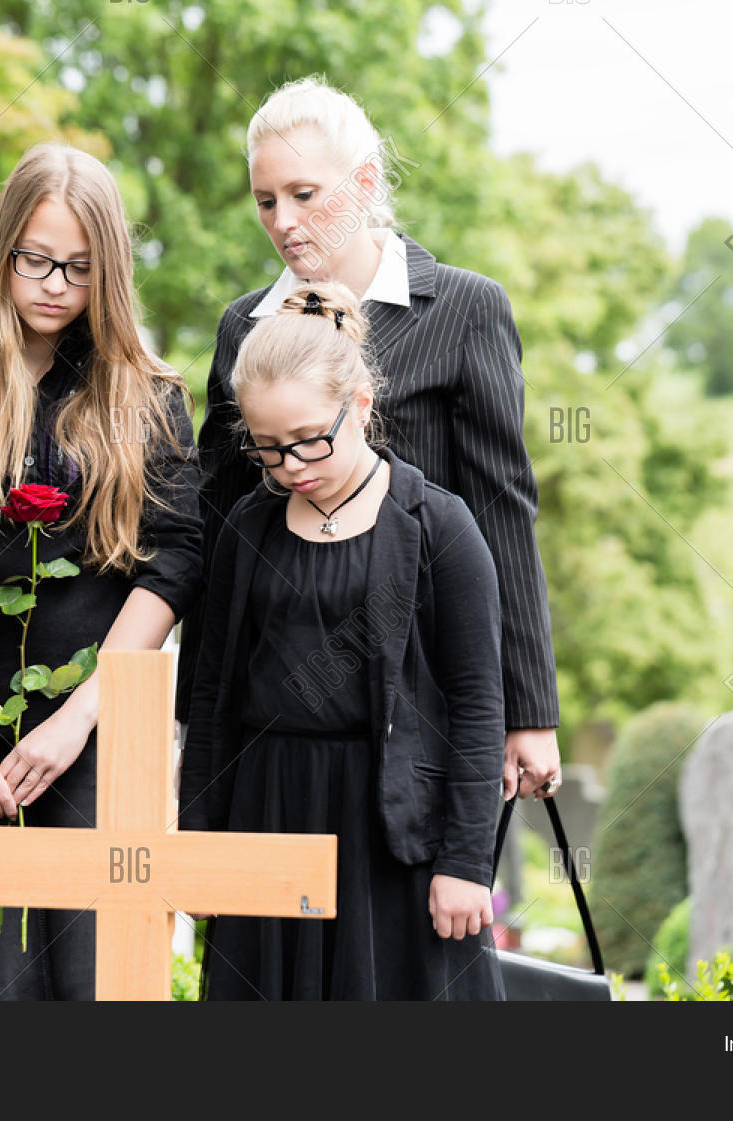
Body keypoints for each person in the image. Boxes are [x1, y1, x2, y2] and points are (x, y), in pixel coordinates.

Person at [0, 143, 203, 1000]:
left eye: (81, 267)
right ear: (2, 250)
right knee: (3, 997)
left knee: (102, 991)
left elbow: (172, 566)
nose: (56, 283)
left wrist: (80, 720)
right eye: (37, 260)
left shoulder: (147, 394)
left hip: (97, 744)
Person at [179, 76, 562, 802]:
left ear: (363, 183)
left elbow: (503, 512)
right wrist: (190, 722)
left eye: (304, 194)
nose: (284, 221)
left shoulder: (465, 308)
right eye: (266, 201)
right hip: (279, 707)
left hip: (428, 691)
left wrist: (530, 710)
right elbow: (219, 529)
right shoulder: (242, 330)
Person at [178, 281, 506, 1001]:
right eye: (269, 450)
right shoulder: (247, 526)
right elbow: (213, 693)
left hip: (388, 826)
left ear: (360, 404)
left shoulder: (439, 527)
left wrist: (466, 861)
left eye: (310, 440)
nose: (293, 466)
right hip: (269, 809)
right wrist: (197, 833)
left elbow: (480, 704)